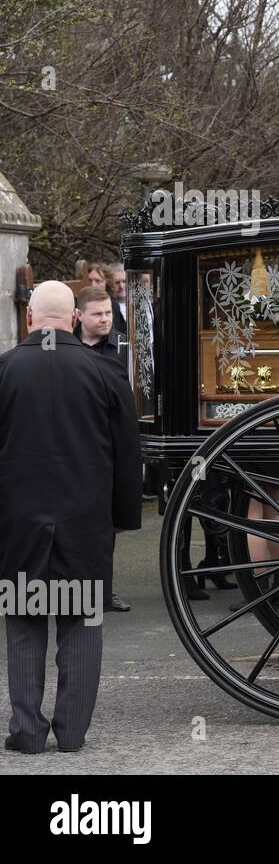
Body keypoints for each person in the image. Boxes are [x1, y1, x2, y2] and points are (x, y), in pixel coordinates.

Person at [0, 281, 141, 753]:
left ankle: (26, 732)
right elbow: (127, 454)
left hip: (17, 522)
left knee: (24, 622)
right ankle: (73, 732)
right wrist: (122, 516)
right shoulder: (104, 372)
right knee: (80, 625)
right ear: (75, 319)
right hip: (86, 520)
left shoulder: (4, 371)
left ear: (29, 318)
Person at [75, 286, 131, 612]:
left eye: (108, 312)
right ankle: (75, 590)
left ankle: (105, 591)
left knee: (108, 525)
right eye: (97, 314)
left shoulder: (121, 345)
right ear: (79, 315)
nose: (105, 319)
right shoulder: (64, 347)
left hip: (109, 443)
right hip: (74, 441)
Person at [108, 263, 129, 337]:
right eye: (117, 282)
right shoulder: (108, 306)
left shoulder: (138, 303)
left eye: (124, 281)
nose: (121, 286)